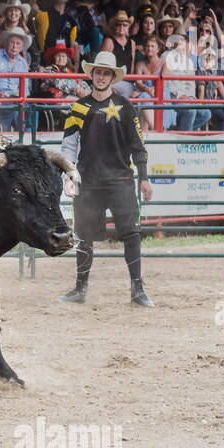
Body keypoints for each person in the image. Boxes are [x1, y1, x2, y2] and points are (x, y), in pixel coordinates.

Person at [57, 51, 153, 308]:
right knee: (83, 234)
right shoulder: (78, 107)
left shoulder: (126, 106)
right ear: (92, 75)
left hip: (121, 179)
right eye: (97, 72)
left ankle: (137, 289)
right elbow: (68, 146)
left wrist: (143, 177)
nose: (100, 76)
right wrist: (69, 174)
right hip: (88, 181)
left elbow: (138, 145)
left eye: (105, 73)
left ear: (112, 76)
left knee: (132, 233)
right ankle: (80, 288)